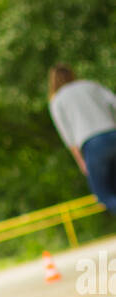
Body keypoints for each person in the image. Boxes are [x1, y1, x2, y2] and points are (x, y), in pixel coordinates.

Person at [48, 63, 116, 212]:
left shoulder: (57, 100)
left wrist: (81, 161)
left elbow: (68, 137)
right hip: (113, 133)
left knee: (104, 196)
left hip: (92, 144)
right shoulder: (90, 85)